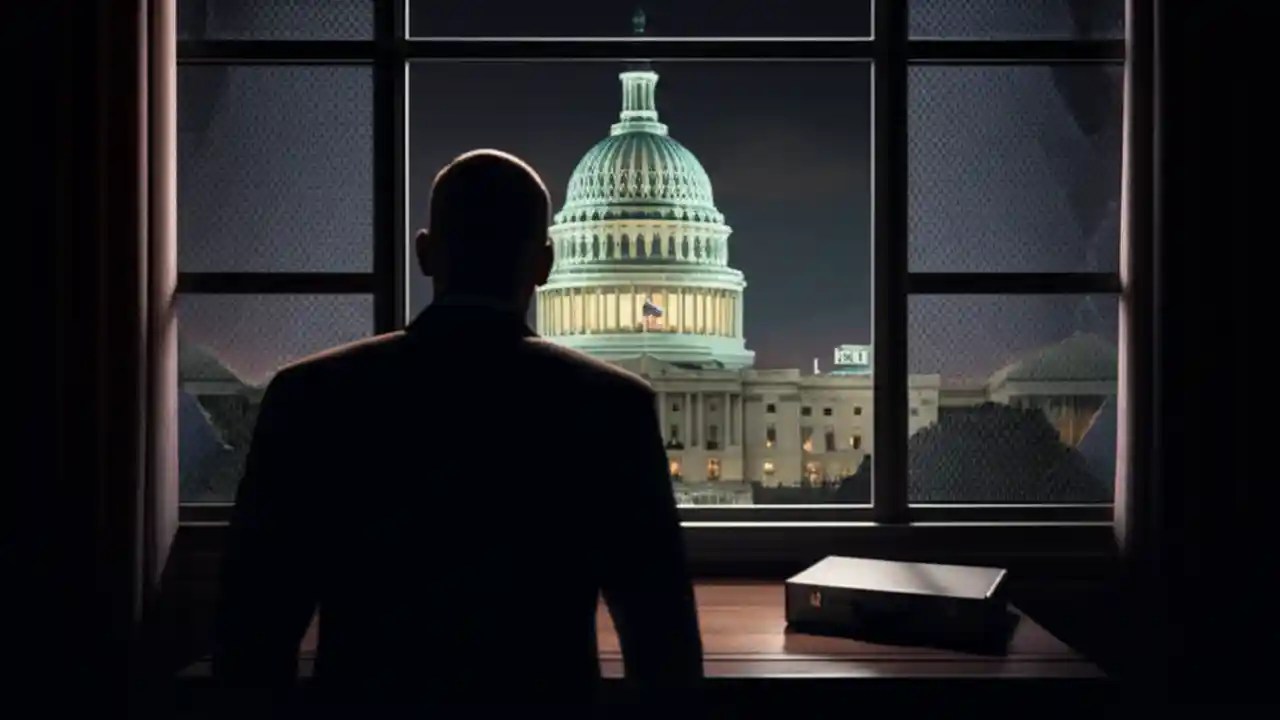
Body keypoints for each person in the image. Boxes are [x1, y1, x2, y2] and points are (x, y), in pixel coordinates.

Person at [212, 149, 703, 710]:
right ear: (546, 264)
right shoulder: (613, 407)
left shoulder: (310, 395)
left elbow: (251, 630)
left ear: (424, 253)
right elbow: (662, 639)